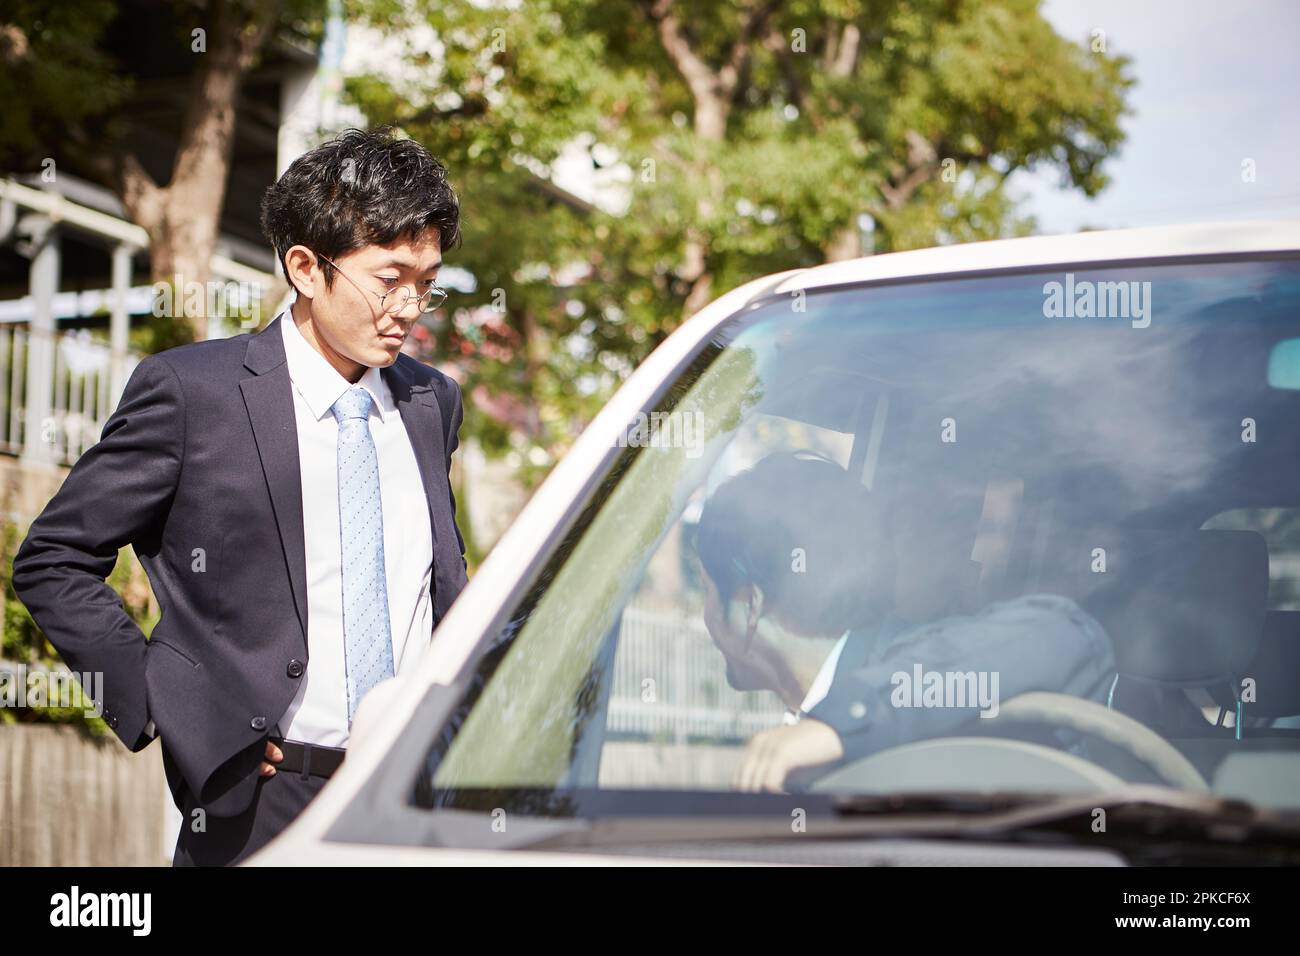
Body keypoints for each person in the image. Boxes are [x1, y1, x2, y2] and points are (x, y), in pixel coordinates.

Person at [11, 126, 469, 865]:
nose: (411, 307)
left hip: (414, 799)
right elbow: (54, 558)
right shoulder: (195, 394)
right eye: (389, 280)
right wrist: (174, 705)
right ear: (306, 269)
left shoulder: (430, 402)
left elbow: (439, 582)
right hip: (260, 802)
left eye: (427, 282)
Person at [693, 451, 1117, 793]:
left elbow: (1063, 631)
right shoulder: (811, 724)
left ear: (749, 604)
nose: (704, 610)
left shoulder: (919, 682)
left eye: (707, 587)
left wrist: (846, 721)